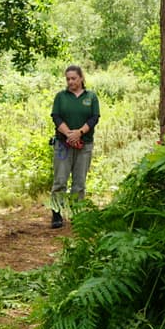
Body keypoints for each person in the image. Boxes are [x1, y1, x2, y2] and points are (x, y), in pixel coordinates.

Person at [49, 65, 100, 228]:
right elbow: (55, 117)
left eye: (73, 78)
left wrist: (80, 132)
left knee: (79, 182)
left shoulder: (91, 97)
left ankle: (76, 213)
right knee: (60, 180)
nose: (70, 82)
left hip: (84, 144)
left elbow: (94, 118)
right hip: (63, 145)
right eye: (68, 79)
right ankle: (56, 214)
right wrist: (69, 134)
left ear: (81, 78)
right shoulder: (60, 97)